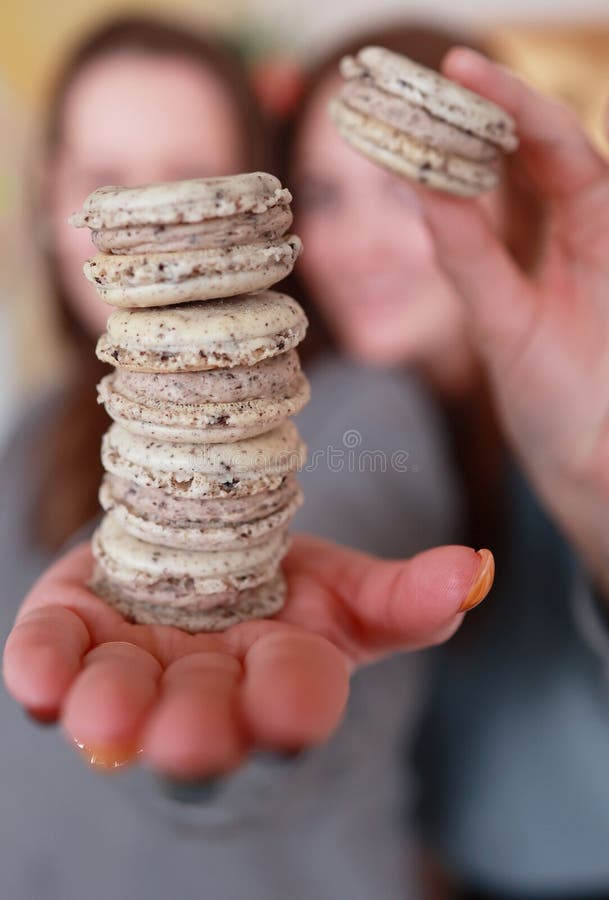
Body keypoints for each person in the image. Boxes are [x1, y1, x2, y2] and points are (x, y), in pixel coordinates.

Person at [0, 14, 487, 900]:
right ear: (52, 198)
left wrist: (205, 728)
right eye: (108, 179)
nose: (154, 229)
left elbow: (333, 516)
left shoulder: (362, 409)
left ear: (258, 213)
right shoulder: (30, 427)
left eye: (190, 181)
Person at [282, 22, 609, 900]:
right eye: (323, 193)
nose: (357, 246)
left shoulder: (574, 405)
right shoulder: (330, 430)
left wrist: (594, 495)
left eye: (405, 189)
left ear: (500, 199)